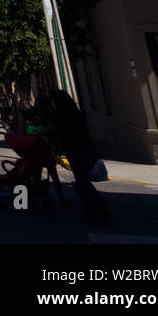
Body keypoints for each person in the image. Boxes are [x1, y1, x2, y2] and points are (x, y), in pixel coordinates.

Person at [42, 89, 109, 222]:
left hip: (76, 150)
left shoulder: (59, 115)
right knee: (83, 181)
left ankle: (98, 207)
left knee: (82, 182)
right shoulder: (76, 112)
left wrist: (38, 133)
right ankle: (95, 206)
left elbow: (50, 129)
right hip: (89, 148)